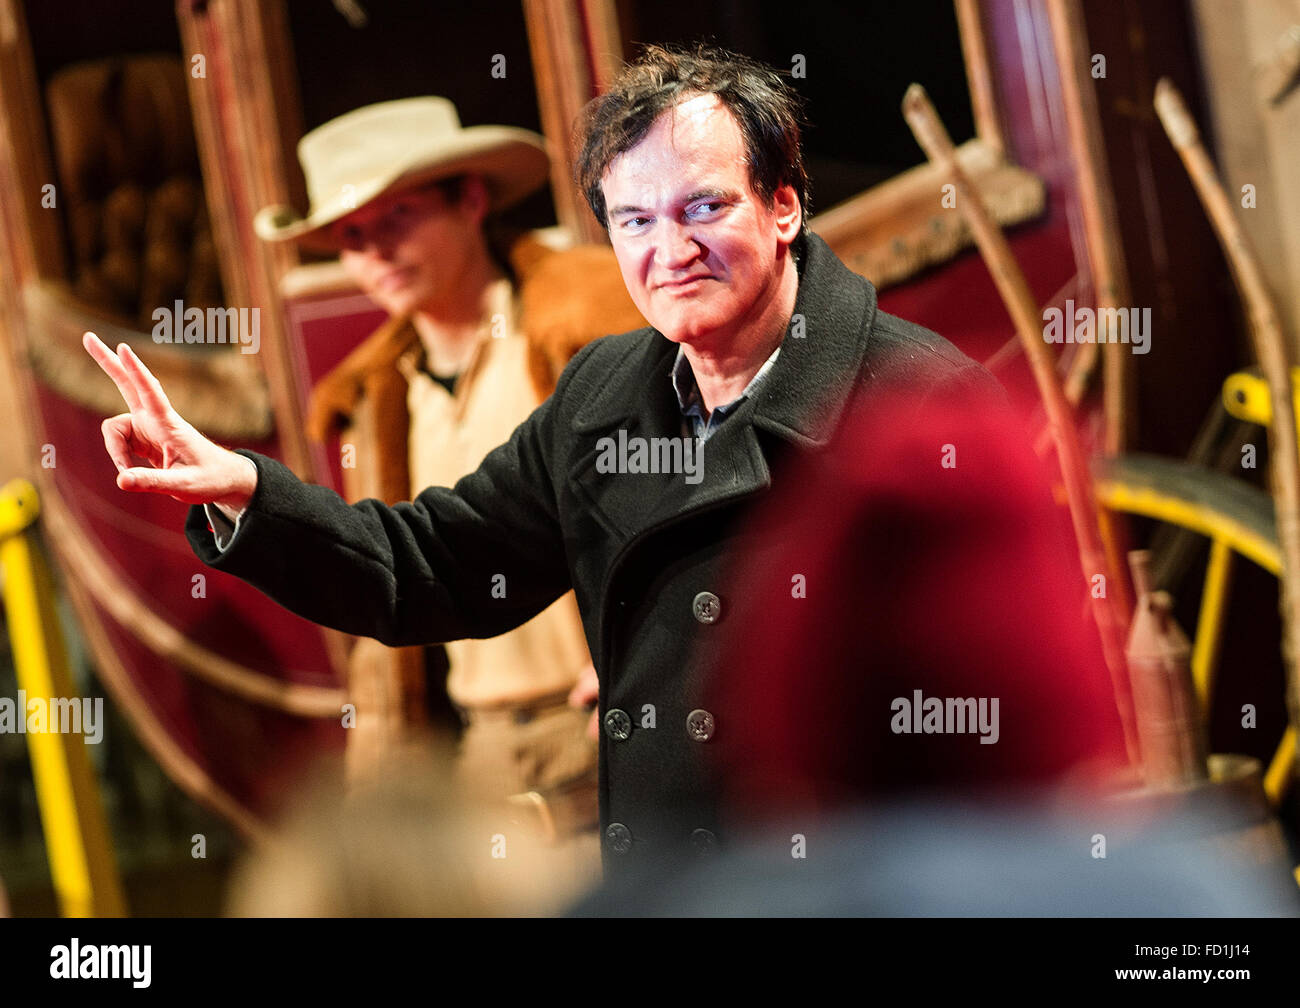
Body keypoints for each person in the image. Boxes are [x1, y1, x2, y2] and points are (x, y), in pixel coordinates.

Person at [84, 45, 1001, 880]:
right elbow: (432, 562)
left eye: (705, 207)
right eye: (634, 219)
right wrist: (248, 489)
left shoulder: (922, 401)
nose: (670, 251)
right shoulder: (602, 392)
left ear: (784, 206)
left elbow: (993, 715)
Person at [252, 97, 634, 851]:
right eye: (351, 236)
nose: (376, 253)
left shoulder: (579, 331)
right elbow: (395, 589)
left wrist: (649, 659)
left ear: (471, 199)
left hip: (609, 716)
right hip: (483, 746)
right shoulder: (380, 397)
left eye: (397, 217)